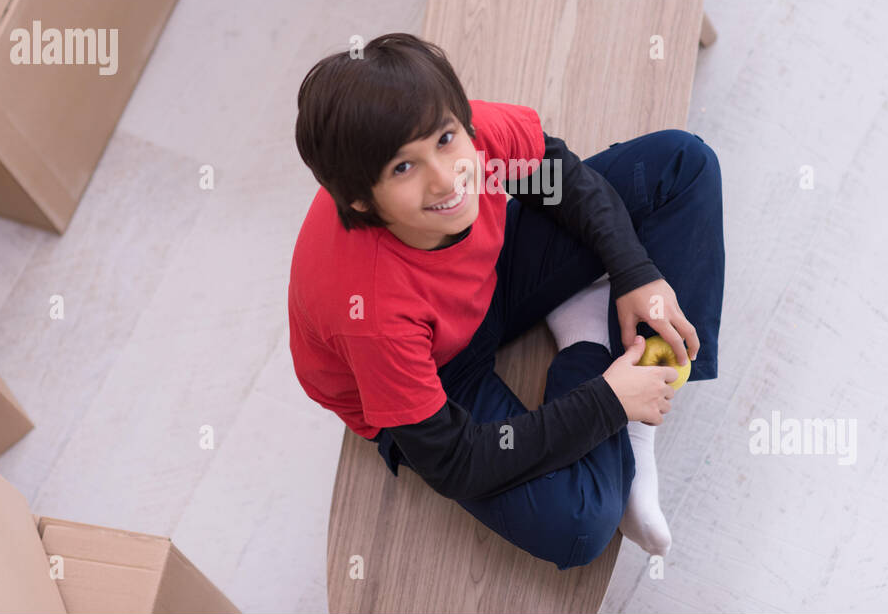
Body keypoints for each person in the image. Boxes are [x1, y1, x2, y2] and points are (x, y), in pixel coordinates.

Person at [289, 32, 724, 569]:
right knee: (581, 528)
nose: (446, 178)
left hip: (489, 278)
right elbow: (452, 459)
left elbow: (557, 175)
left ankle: (638, 418)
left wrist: (634, 271)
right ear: (360, 199)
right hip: (439, 371)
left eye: (446, 140)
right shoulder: (371, 314)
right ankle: (591, 344)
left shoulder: (462, 134)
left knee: (683, 162)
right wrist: (605, 400)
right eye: (404, 168)